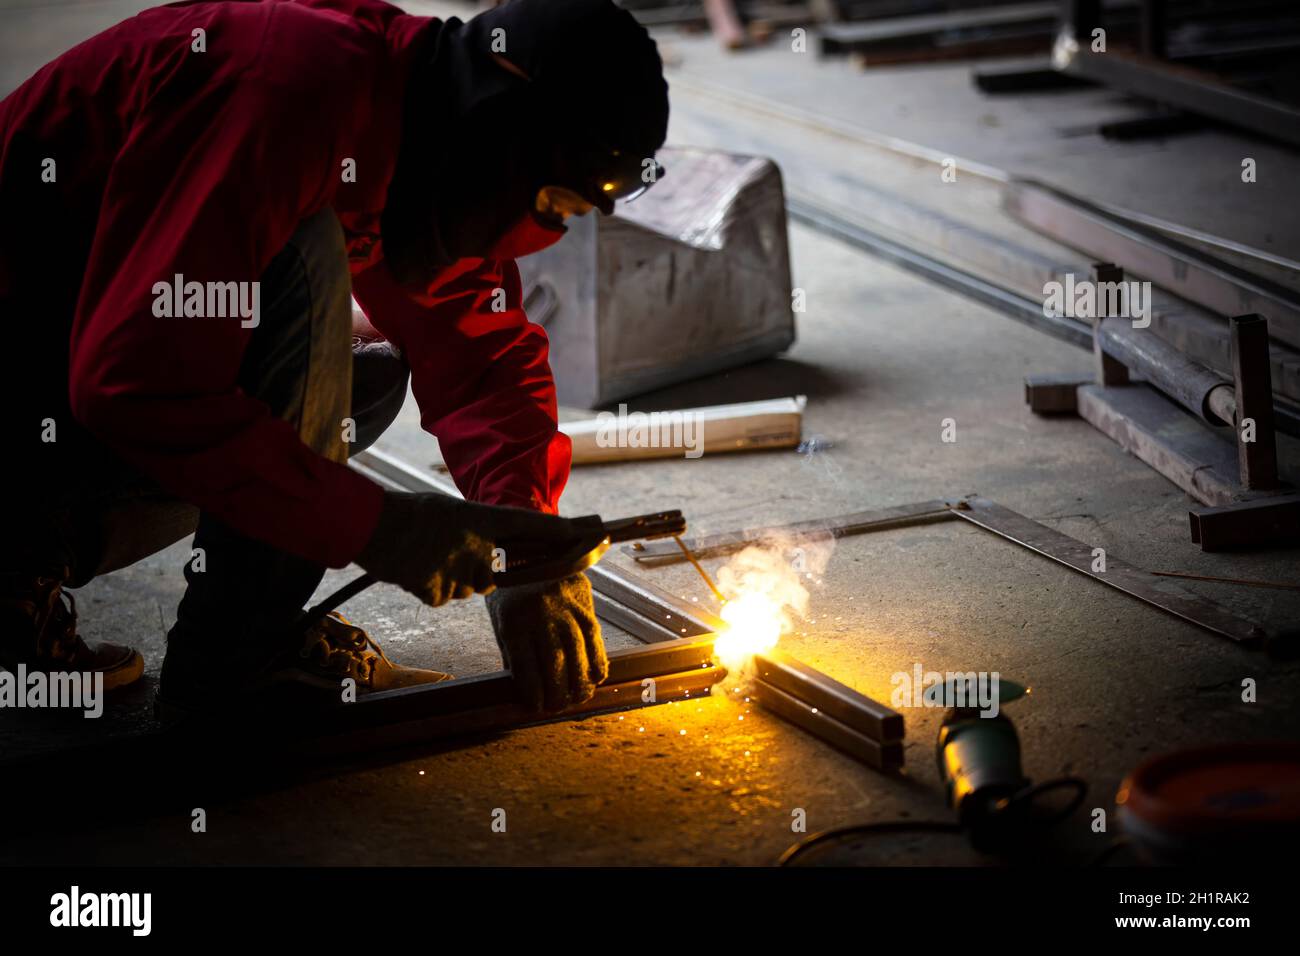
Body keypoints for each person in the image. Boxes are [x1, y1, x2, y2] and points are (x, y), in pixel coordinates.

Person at [0, 0, 670, 716]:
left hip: (43, 383)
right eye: (557, 201)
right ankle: (239, 660)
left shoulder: (417, 122)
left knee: (363, 372)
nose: (547, 230)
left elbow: (480, 360)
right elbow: (134, 383)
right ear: (504, 128)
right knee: (304, 262)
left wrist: (526, 544)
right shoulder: (284, 91)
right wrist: (382, 529)